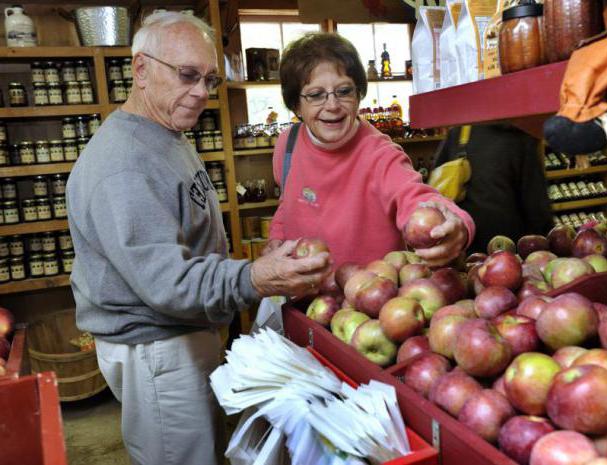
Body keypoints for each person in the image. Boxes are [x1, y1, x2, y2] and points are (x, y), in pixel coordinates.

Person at [66, 13, 330, 465]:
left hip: (180, 336)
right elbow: (168, 282)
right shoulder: (124, 164)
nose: (201, 92)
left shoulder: (163, 133)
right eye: (187, 75)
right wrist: (254, 278)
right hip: (158, 350)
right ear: (141, 69)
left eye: (209, 79)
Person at [265, 33, 475, 268]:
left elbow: (414, 196)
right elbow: (287, 203)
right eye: (316, 95)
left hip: (364, 299)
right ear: (296, 105)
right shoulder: (288, 144)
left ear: (358, 95)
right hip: (301, 297)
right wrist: (276, 237)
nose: (333, 106)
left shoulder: (380, 153)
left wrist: (456, 224)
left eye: (344, 91)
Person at [433, 124, 553, 254]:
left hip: (463, 245)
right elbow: (536, 205)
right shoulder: (522, 138)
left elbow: (435, 186)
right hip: (509, 248)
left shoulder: (459, 133)